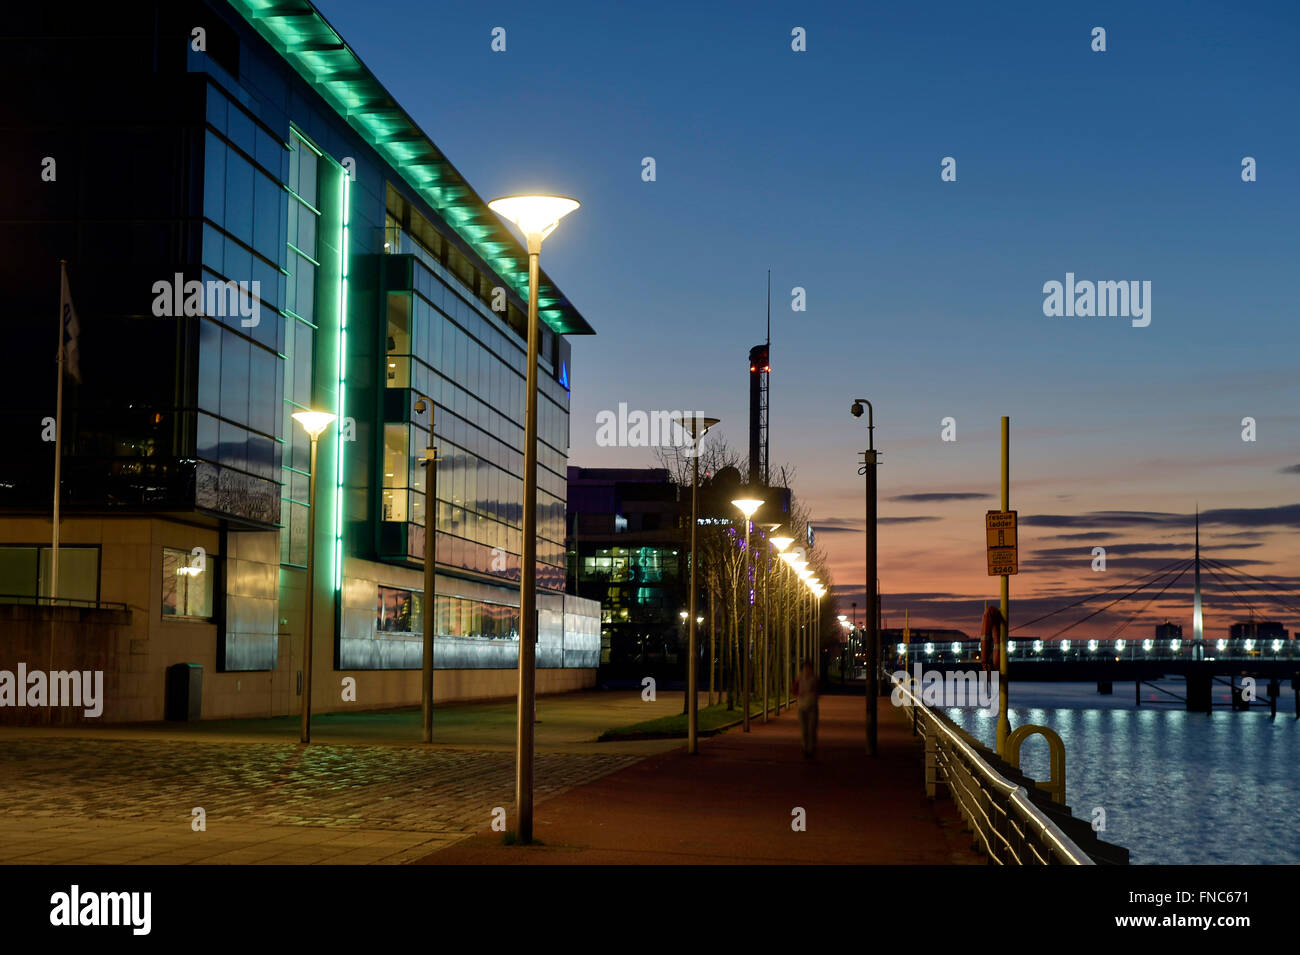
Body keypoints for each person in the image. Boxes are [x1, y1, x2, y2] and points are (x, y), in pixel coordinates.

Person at [795, 659, 819, 758]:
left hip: (812, 706)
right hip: (801, 707)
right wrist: (799, 693)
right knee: (804, 729)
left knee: (812, 728)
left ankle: (811, 746)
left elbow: (818, 690)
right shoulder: (799, 679)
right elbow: (794, 691)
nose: (807, 670)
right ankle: (805, 747)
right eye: (805, 668)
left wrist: (813, 693)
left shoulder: (814, 679)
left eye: (809, 668)